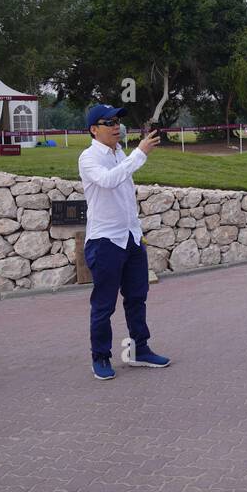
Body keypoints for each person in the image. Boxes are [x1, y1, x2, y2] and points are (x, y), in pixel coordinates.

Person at [79, 104, 170, 380]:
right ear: (94, 129)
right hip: (105, 240)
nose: (116, 126)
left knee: (137, 297)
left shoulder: (119, 152)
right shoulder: (88, 158)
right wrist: (140, 153)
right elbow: (108, 181)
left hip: (130, 236)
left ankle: (138, 349)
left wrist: (133, 155)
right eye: (109, 122)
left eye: (118, 121)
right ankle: (101, 356)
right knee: (104, 304)